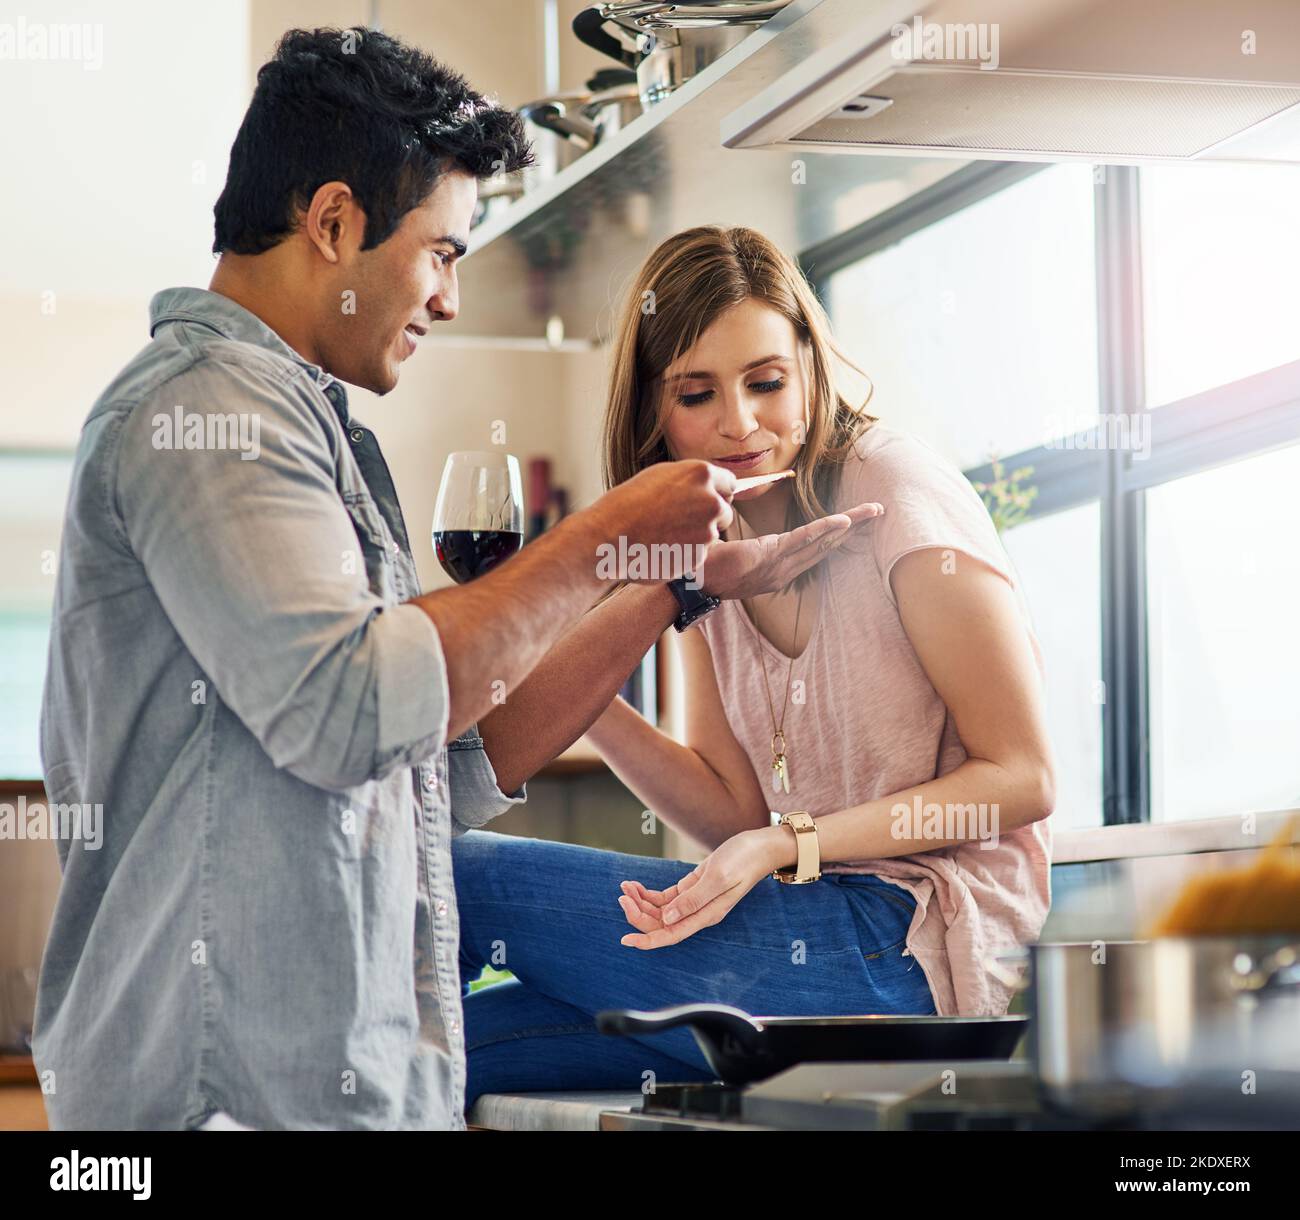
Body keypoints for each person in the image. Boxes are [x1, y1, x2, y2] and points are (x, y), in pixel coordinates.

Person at [33, 33, 875, 1131]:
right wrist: (597, 533)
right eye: (440, 251)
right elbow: (356, 710)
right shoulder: (214, 419)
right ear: (333, 222)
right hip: (221, 1092)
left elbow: (443, 757)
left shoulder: (304, 428)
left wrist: (668, 587)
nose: (447, 297)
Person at [451, 225, 1056, 1104]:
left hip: (919, 950)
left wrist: (787, 842)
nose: (739, 423)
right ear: (655, 410)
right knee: (426, 1056)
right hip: (792, 948)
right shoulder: (706, 535)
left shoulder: (900, 496)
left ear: (810, 366)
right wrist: (580, 679)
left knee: (446, 869)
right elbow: (728, 804)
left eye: (766, 382)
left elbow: (1025, 775)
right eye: (697, 394)